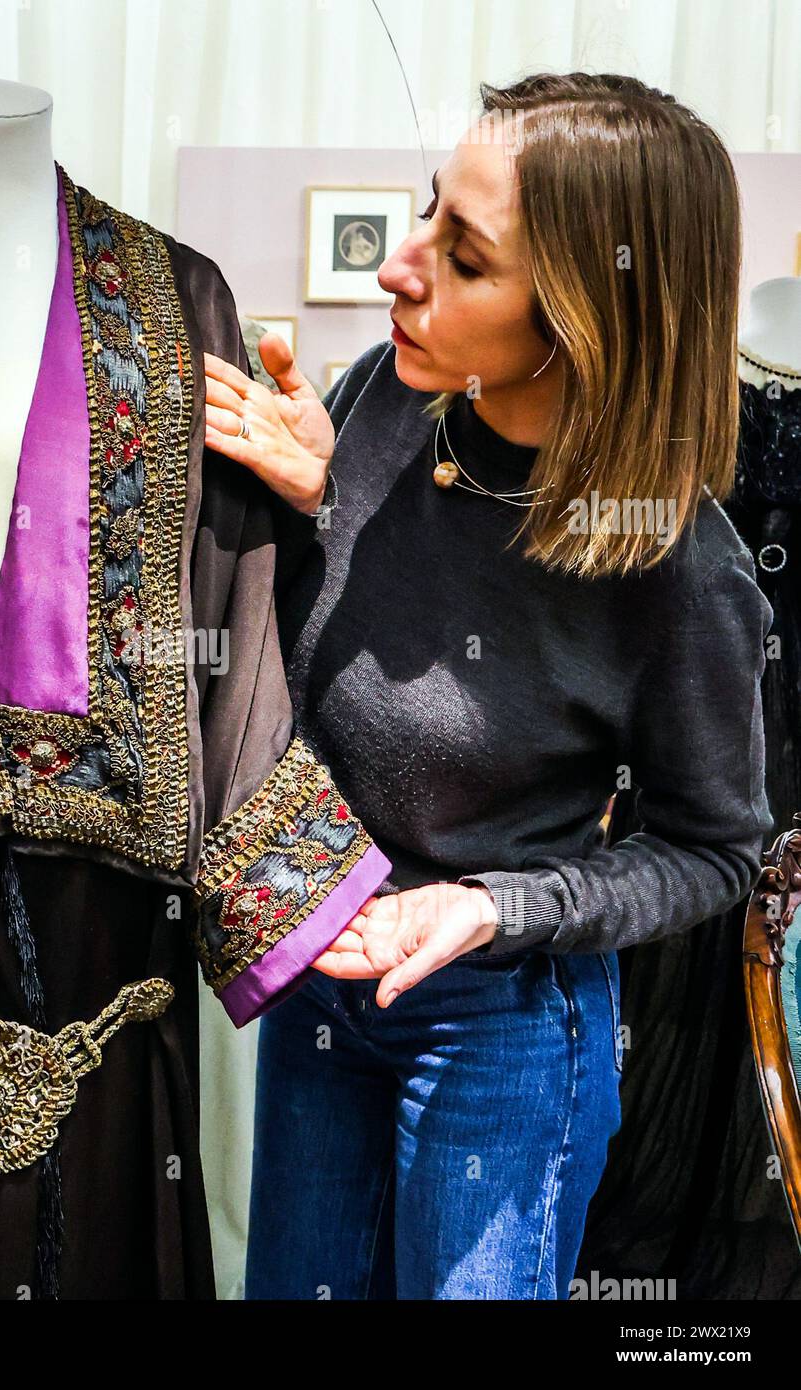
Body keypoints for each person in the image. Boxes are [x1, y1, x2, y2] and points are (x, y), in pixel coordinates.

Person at [203, 72, 774, 1300]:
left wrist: (490, 907)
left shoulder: (677, 570)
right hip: (324, 982)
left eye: (464, 259)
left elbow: (717, 852)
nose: (398, 269)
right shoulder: (379, 403)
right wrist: (313, 512)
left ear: (580, 316)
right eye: (426, 218)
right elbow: (330, 669)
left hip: (502, 1028)